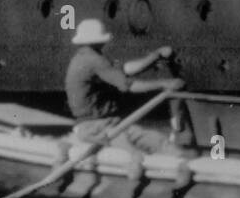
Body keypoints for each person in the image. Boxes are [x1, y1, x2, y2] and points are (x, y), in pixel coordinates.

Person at [63, 18, 184, 156]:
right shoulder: (93, 60)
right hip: (95, 128)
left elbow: (124, 70)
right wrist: (164, 84)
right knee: (135, 155)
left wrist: (155, 56)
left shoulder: (86, 56)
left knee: (160, 142)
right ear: (98, 40)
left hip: (110, 124)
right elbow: (128, 86)